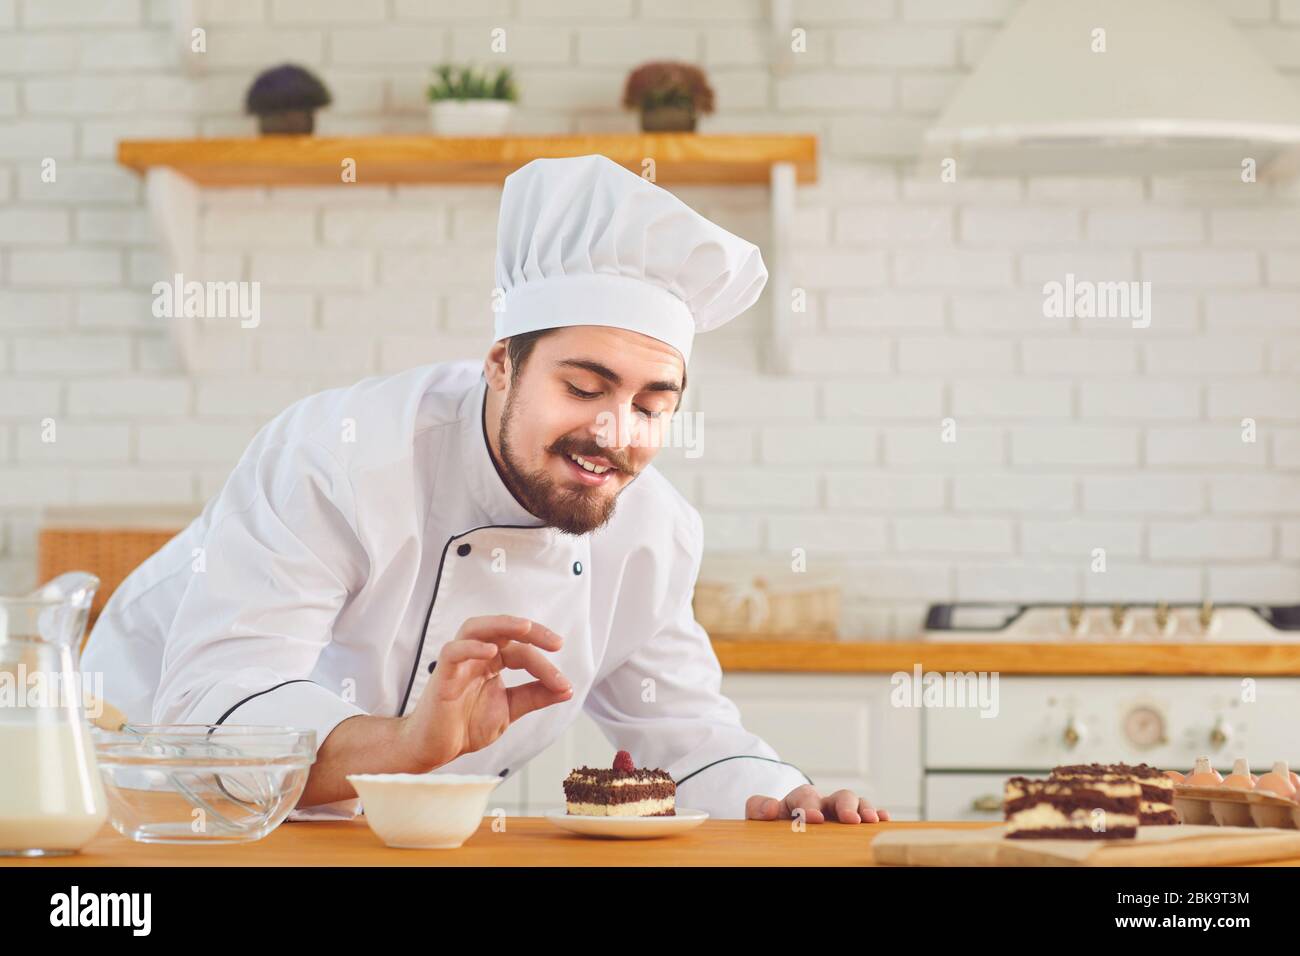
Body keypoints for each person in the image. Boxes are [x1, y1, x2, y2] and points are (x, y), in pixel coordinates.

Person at [82, 154, 890, 826]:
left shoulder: (650, 532)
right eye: (583, 387)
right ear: (501, 364)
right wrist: (408, 743)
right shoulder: (341, 456)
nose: (615, 434)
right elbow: (218, 714)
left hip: (398, 839)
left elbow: (683, 729)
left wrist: (788, 797)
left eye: (651, 405)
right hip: (155, 806)